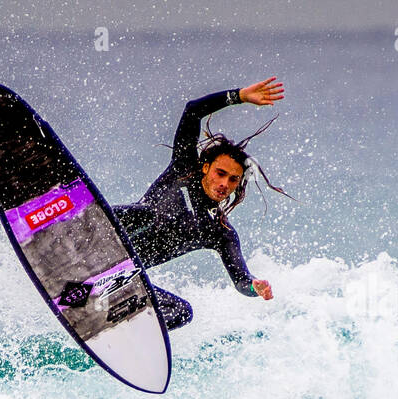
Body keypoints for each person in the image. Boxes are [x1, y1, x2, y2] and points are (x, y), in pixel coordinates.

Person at [114, 77, 291, 331]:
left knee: (181, 312)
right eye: (220, 173)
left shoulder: (219, 231)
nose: (225, 183)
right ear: (206, 167)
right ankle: (72, 221)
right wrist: (238, 96)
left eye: (233, 180)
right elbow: (192, 111)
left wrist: (254, 286)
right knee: (145, 214)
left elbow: (241, 280)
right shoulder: (183, 169)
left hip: (122, 278)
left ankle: (122, 333)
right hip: (103, 236)